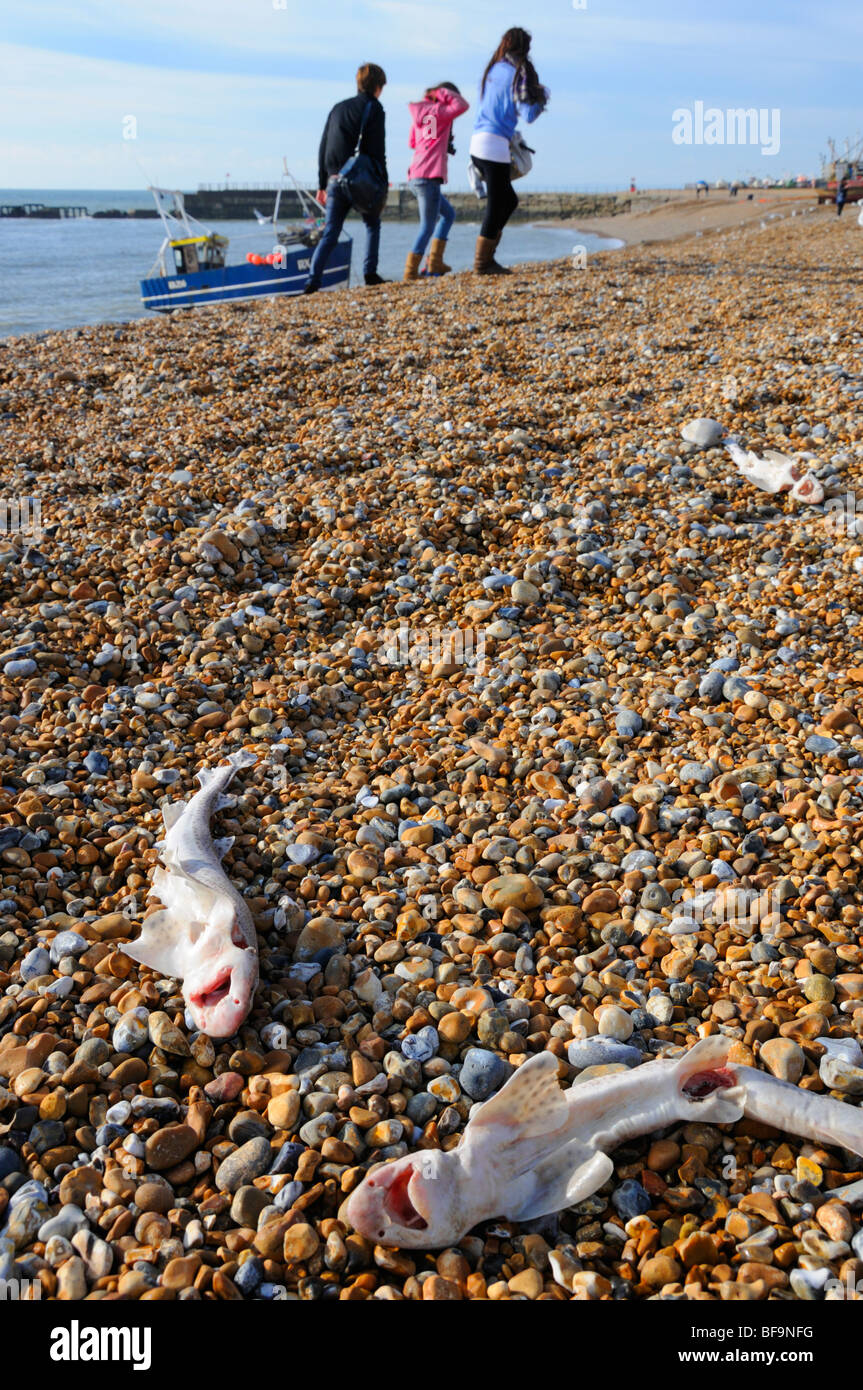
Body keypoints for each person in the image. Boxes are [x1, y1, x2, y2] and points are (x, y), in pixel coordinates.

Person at [468, 27, 549, 275]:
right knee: (497, 205)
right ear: (524, 49)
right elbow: (528, 115)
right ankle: (483, 264)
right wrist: (544, 95)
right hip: (494, 146)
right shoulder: (518, 74)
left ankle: (488, 258)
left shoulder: (492, 70)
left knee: (508, 201)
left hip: (477, 144)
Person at [303, 63, 389, 294]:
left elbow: (323, 147)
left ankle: (313, 281)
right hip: (360, 180)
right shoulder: (375, 108)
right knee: (372, 223)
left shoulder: (337, 108)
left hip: (334, 179)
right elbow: (377, 149)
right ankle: (370, 273)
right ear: (378, 87)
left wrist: (321, 184)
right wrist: (383, 179)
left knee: (331, 232)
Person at [404, 83, 469, 281]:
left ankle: (434, 262)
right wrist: (440, 93)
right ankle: (410, 271)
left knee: (448, 214)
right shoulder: (440, 112)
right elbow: (462, 105)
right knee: (428, 226)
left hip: (416, 175)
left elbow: (412, 143)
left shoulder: (421, 114)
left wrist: (433, 138)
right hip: (429, 176)